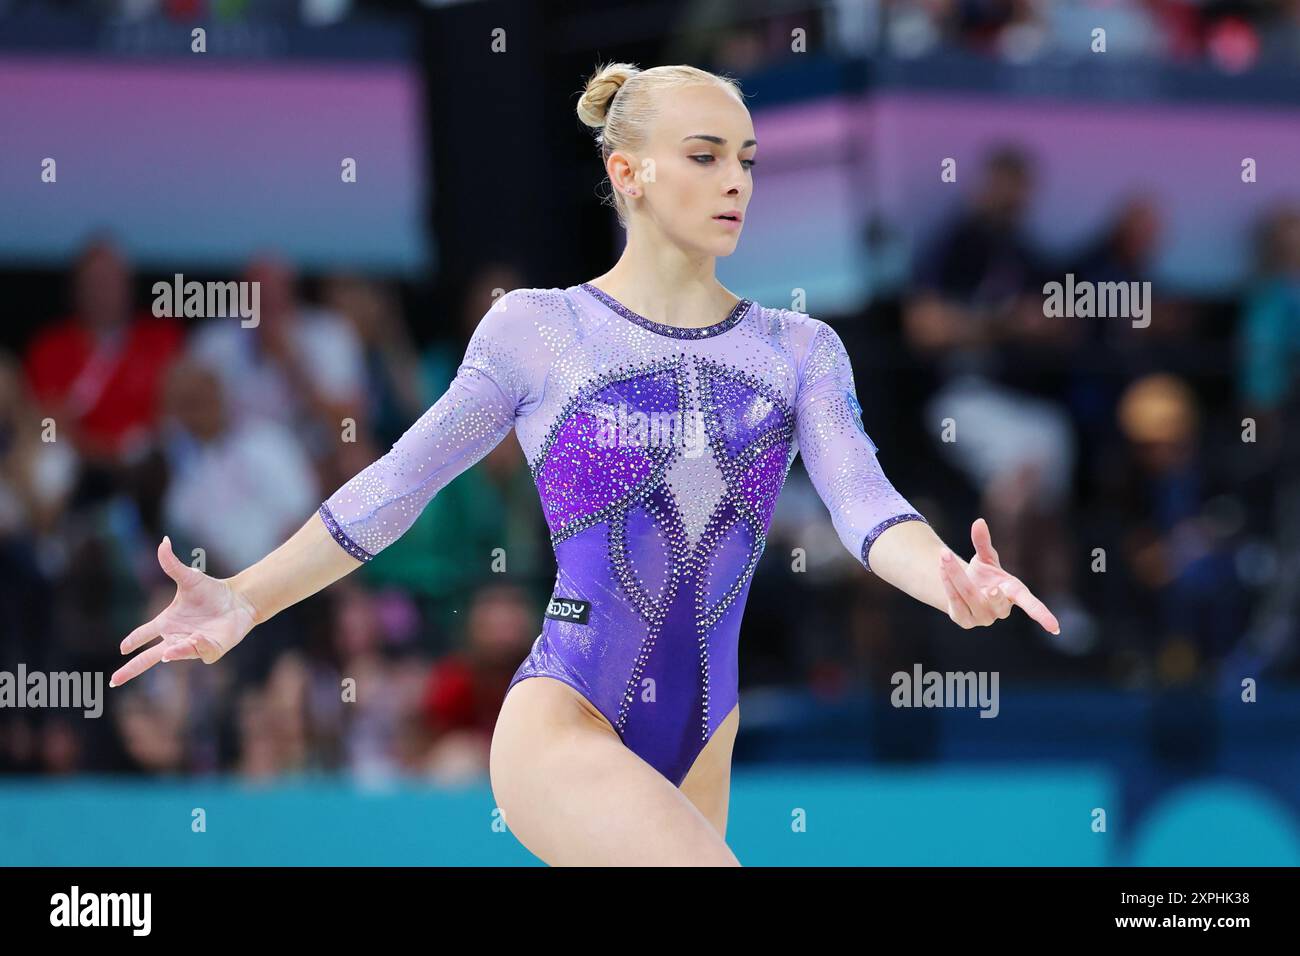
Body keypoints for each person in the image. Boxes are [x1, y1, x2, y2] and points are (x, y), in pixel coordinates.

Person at [109, 62, 1060, 866]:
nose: (737, 180)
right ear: (630, 172)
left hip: (704, 735)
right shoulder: (538, 329)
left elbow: (866, 507)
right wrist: (245, 598)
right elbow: (395, 488)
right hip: (567, 717)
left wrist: (945, 580)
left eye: (746, 159)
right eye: (705, 156)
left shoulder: (801, 349)